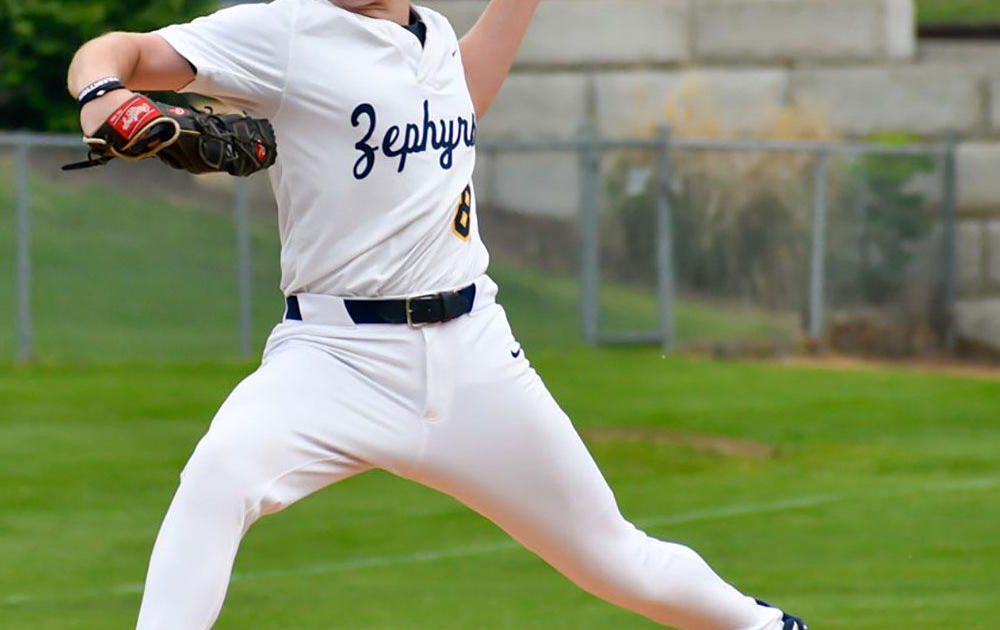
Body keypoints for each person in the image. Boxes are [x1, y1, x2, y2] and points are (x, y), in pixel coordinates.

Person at [66, 1, 808, 628]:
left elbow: (461, 97)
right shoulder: (286, 33)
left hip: (475, 354)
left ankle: (768, 626)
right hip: (334, 355)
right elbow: (118, 50)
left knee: (614, 558)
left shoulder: (436, 36)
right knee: (221, 474)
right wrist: (104, 93)